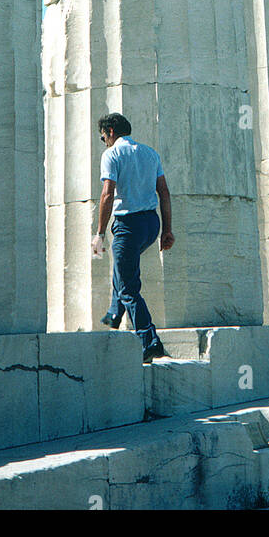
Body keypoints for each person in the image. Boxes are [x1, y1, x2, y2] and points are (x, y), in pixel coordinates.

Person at [91, 112, 173, 362]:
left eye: (103, 136)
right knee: (123, 267)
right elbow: (164, 193)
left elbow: (107, 194)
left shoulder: (112, 154)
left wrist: (100, 233)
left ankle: (150, 341)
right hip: (151, 224)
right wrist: (167, 230)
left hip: (128, 224)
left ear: (111, 132)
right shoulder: (150, 153)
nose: (103, 140)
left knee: (128, 287)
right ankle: (114, 314)